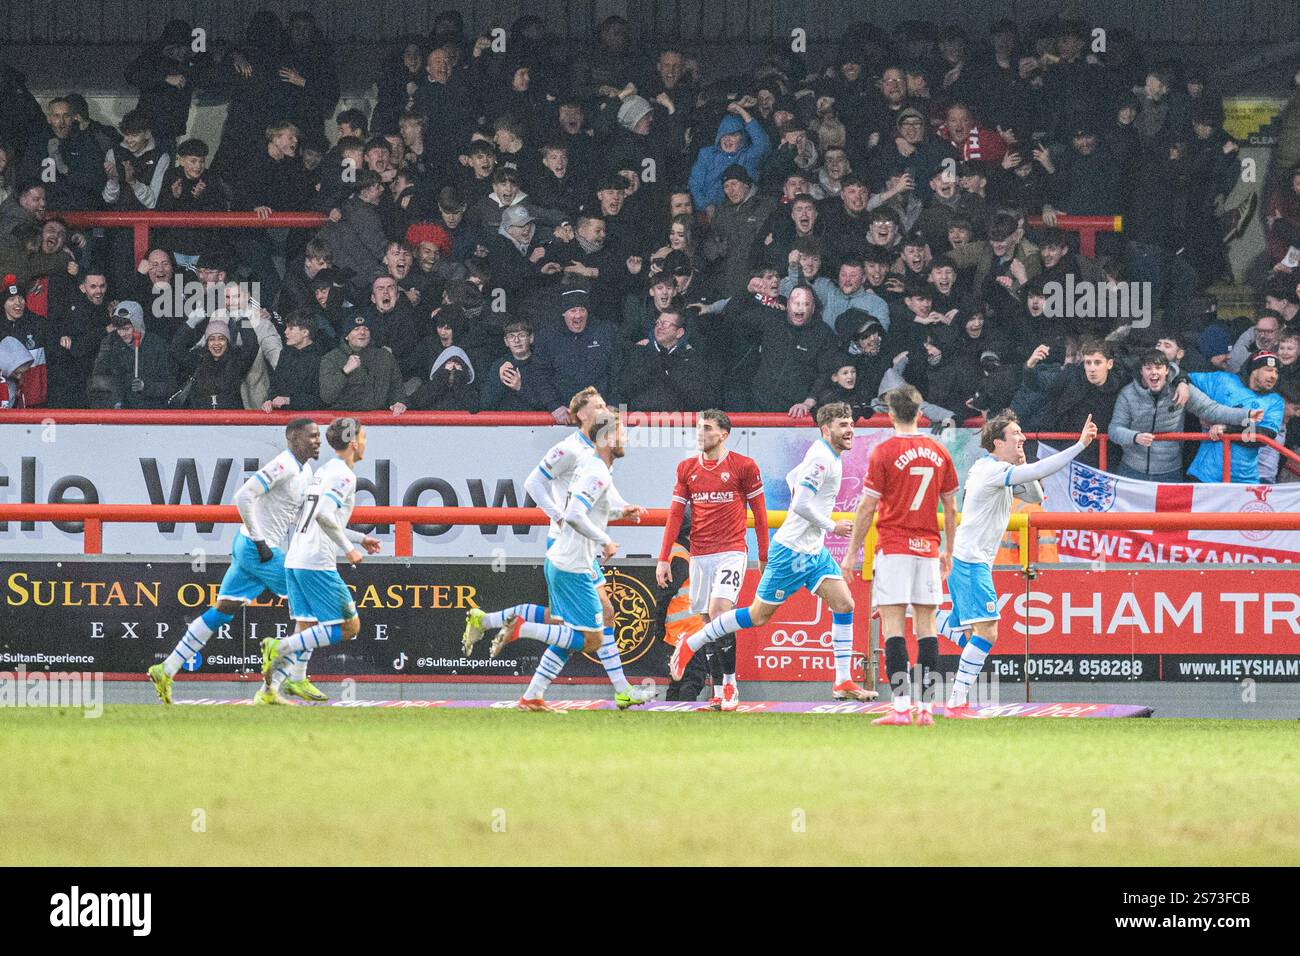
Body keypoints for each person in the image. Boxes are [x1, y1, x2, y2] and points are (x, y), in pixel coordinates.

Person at [669, 402, 876, 702]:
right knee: (757, 616)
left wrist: (819, 528)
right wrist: (832, 526)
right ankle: (692, 641)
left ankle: (842, 681)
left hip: (813, 551)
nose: (850, 430)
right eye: (843, 425)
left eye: (851, 425)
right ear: (825, 429)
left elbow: (795, 479)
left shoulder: (825, 454)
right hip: (792, 551)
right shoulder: (821, 458)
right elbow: (801, 505)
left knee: (844, 604)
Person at [462, 389, 653, 711]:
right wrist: (560, 517)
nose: (604, 410)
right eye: (598, 407)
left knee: (567, 624)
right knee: (596, 619)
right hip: (570, 546)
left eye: (606, 405)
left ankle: (525, 679)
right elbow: (534, 483)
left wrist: (621, 509)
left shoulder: (596, 459)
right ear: (582, 415)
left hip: (578, 546)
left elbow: (603, 498)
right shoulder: (571, 449)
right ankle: (619, 689)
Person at [148, 419, 321, 704]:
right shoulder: (284, 464)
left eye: (319, 436)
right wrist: (260, 540)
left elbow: (305, 516)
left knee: (222, 610)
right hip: (258, 549)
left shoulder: (305, 470)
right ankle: (293, 677)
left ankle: (166, 668)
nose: (317, 441)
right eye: (311, 436)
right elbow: (242, 496)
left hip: (249, 547)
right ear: (293, 439)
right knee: (311, 606)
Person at [939, 411, 1098, 717]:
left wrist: (1023, 464)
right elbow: (1041, 472)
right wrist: (1079, 445)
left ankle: (928, 616)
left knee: (973, 637)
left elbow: (1036, 494)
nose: (1022, 438)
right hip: (971, 561)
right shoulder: (993, 470)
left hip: (969, 559)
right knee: (988, 633)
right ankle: (957, 700)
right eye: (1015, 434)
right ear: (998, 442)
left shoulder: (993, 467)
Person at [841, 385, 958, 725]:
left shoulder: (884, 451)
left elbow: (866, 507)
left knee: (893, 626)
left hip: (893, 546)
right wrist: (948, 548)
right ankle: (927, 709)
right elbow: (950, 506)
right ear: (921, 414)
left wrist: (851, 553)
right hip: (928, 548)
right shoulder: (939, 451)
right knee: (928, 628)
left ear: (890, 414)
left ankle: (901, 708)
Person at [259, 418, 382, 704]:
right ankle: (279, 647)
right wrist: (349, 548)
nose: (364, 442)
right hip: (316, 561)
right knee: (350, 626)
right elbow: (324, 515)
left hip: (296, 557)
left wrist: (360, 538)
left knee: (306, 624)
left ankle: (273, 689)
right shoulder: (344, 476)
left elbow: (317, 516)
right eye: (363, 437)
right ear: (353, 442)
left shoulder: (324, 470)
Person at [656, 410, 769, 712]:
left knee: (720, 612)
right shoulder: (687, 468)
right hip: (700, 554)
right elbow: (675, 515)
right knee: (707, 620)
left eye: (706, 428)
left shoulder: (744, 466)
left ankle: (731, 684)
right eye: (698, 428)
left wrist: (763, 553)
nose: (700, 434)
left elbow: (759, 512)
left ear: (723, 434)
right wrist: (664, 557)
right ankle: (718, 691)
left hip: (731, 551)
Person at [1109, 349, 1263, 482]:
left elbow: (1211, 409)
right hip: (1131, 470)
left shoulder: (1181, 388)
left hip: (1169, 472)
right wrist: (1135, 437)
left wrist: (1245, 415)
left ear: (1167, 370)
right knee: (1127, 517)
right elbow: (1115, 429)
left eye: (1158, 367)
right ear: (1141, 371)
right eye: (1148, 368)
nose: (1154, 372)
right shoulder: (1128, 393)